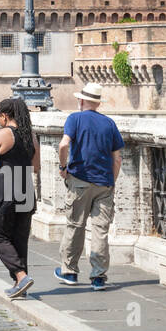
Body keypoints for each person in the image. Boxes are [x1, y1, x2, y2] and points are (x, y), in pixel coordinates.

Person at [55, 82, 125, 291]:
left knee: (75, 225)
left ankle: (69, 271)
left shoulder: (74, 119)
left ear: (82, 100)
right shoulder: (109, 124)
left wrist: (63, 166)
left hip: (80, 181)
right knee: (100, 230)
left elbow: (63, 144)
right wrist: (111, 181)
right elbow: (118, 158)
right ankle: (98, 277)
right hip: (104, 183)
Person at [0, 98, 40, 299]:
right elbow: (36, 167)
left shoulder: (0, 135)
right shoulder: (31, 137)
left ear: (5, 115)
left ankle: (21, 276)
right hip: (26, 188)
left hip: (6, 188)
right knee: (19, 238)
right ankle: (19, 284)